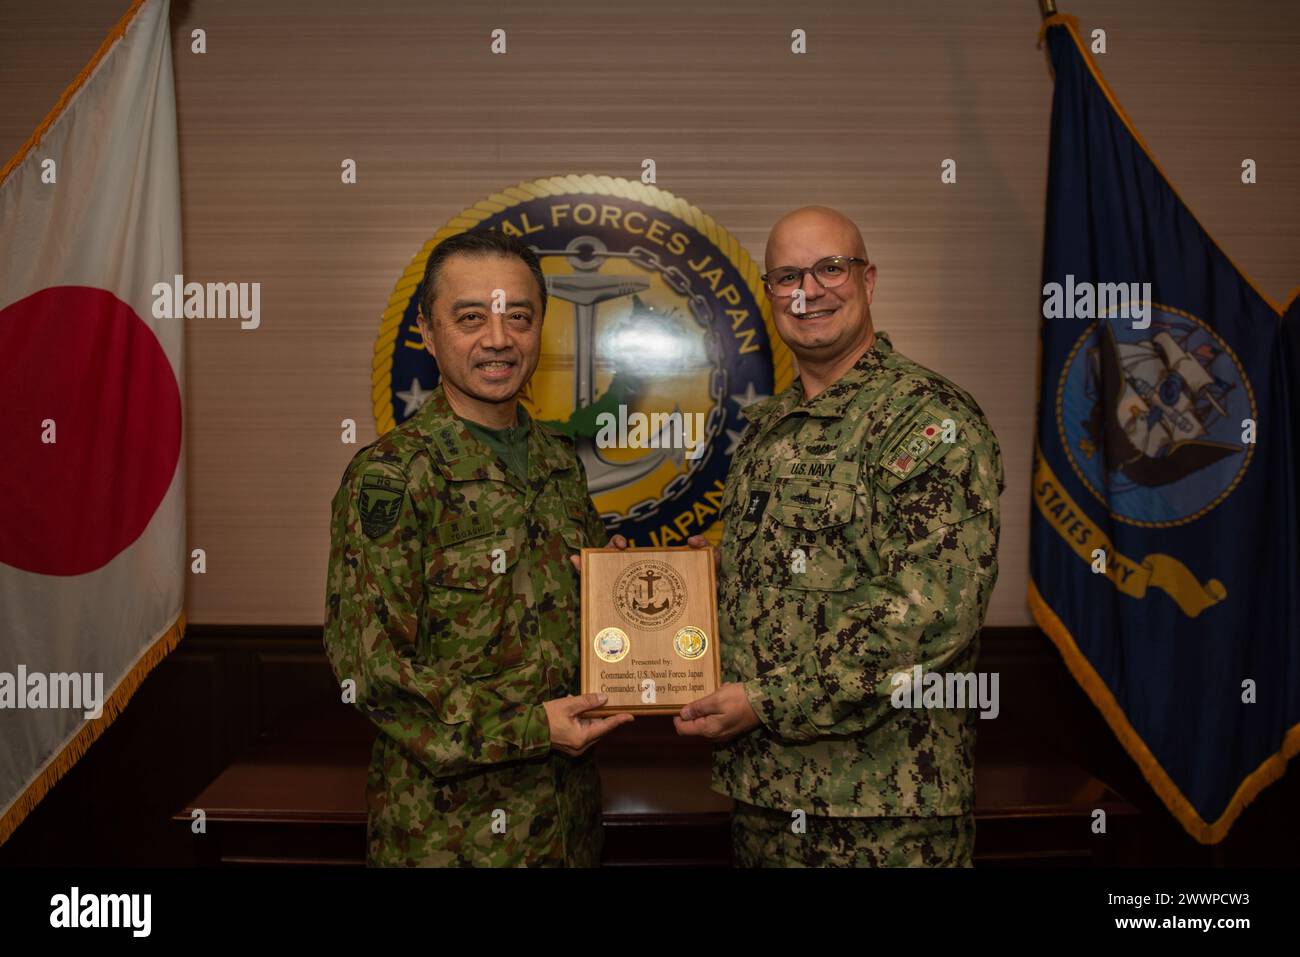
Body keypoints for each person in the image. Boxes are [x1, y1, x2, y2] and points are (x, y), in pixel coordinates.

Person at [676, 206, 1003, 867]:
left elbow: (930, 611)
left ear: (868, 279)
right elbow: (780, 578)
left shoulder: (929, 421)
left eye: (830, 267)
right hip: (765, 801)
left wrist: (768, 700)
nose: (808, 289)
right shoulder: (769, 428)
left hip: (884, 817)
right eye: (787, 274)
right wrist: (677, 581)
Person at [324, 231, 632, 866]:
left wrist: (624, 588)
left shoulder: (557, 464)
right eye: (470, 318)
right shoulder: (393, 476)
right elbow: (370, 669)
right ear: (429, 334)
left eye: (517, 317)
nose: (498, 338)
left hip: (569, 824)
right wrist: (530, 728)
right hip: (450, 836)